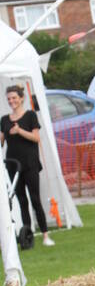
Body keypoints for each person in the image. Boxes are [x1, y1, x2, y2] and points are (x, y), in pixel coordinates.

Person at [1, 84, 54, 246]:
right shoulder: (4, 120)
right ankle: (27, 235)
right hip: (13, 166)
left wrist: (20, 131)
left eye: (14, 98)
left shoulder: (30, 116)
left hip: (30, 163)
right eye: (9, 99)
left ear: (21, 98)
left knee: (35, 199)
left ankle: (45, 235)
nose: (12, 101)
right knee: (21, 200)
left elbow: (36, 138)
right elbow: (1, 141)